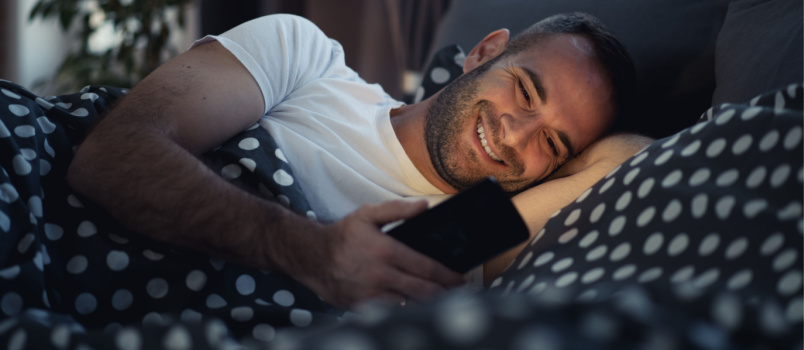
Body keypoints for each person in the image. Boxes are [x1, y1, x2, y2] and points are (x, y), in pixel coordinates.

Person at [65, 12, 651, 308]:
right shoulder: (309, 59)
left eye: (552, 144)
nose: (516, 135)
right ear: (484, 52)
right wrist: (309, 250)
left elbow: (631, 160)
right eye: (525, 90)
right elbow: (113, 153)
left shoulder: (456, 237)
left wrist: (586, 144)